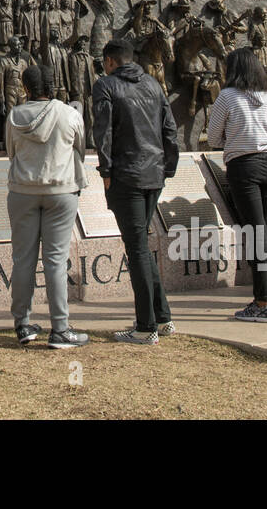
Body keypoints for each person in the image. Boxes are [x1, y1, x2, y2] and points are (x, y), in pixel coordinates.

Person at [94, 38, 178, 342]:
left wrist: (105, 172)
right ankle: (163, 316)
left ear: (111, 61)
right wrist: (168, 167)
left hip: (126, 176)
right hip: (154, 175)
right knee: (141, 245)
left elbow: (102, 130)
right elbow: (170, 129)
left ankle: (145, 327)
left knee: (138, 248)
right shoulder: (154, 86)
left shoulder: (105, 85)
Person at [6, 63, 89, 348]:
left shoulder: (14, 116)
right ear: (53, 86)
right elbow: (81, 147)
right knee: (55, 260)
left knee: (23, 259)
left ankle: (23, 325)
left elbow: (10, 152)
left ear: (25, 88)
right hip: (61, 190)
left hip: (22, 191)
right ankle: (60, 329)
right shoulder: (69, 114)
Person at [207, 47, 267, 323]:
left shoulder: (227, 96)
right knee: (266, 231)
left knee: (255, 234)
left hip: (245, 166)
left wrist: (235, 137)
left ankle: (261, 301)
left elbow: (213, 138)